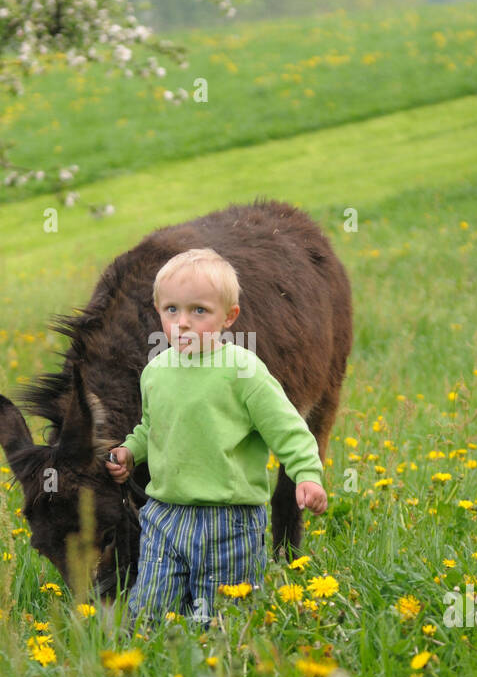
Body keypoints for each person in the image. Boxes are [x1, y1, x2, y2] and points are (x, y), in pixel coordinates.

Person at [105, 247, 328, 627]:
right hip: (164, 517)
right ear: (157, 311)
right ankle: (150, 671)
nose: (183, 323)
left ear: (229, 317)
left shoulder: (243, 371)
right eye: (171, 310)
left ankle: (223, 672)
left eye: (199, 311)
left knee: (224, 618)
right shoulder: (156, 371)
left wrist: (307, 474)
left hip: (230, 522)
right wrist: (130, 451)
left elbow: (288, 429)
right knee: (149, 614)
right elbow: (152, 426)